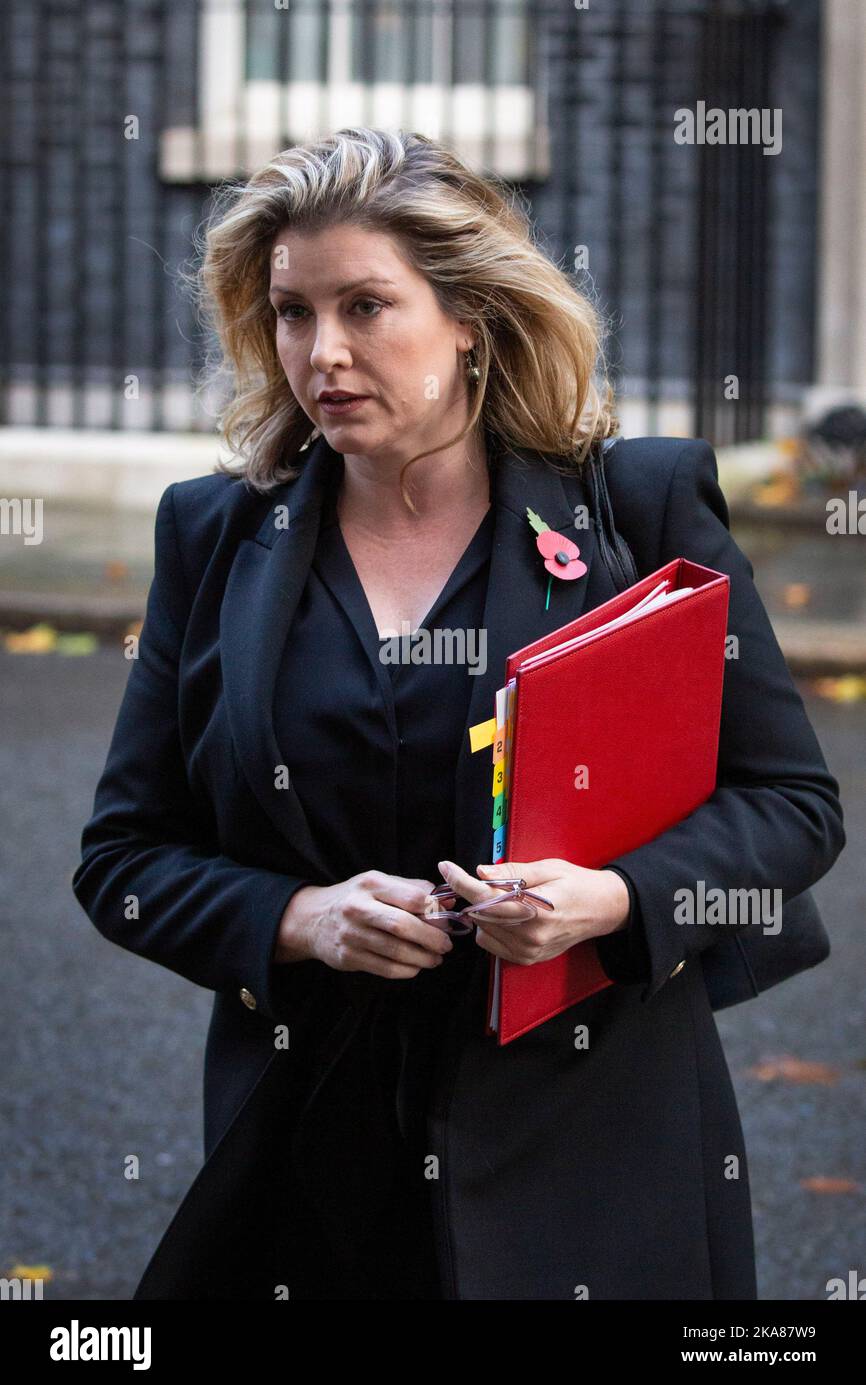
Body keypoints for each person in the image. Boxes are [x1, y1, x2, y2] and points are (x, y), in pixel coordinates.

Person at [71, 126, 845, 1301]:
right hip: (312, 1149)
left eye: (366, 307)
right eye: (291, 312)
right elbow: (124, 855)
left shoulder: (634, 513)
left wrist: (613, 899)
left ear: (469, 319)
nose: (321, 351)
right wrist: (300, 917)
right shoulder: (213, 534)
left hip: (588, 1144)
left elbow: (790, 806)